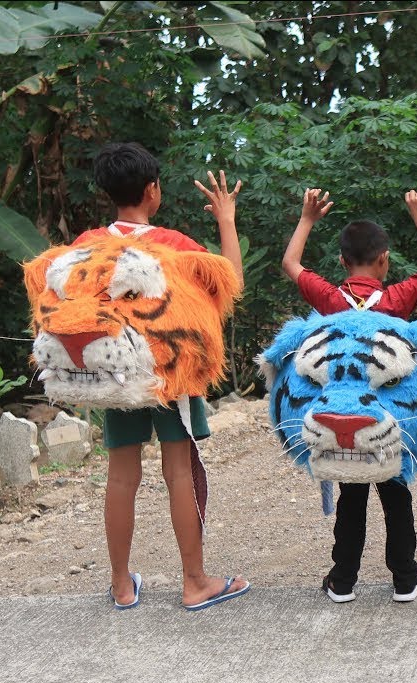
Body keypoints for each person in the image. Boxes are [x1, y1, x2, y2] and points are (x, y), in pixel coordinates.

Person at [87, 141, 251, 611]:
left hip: (117, 374)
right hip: (171, 376)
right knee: (179, 471)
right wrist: (226, 219)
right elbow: (231, 282)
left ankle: (121, 585)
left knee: (121, 477)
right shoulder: (173, 245)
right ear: (152, 190)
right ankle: (194, 582)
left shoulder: (88, 246)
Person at [280, 187, 417, 603]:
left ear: (342, 262)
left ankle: (343, 581)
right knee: (397, 498)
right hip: (384, 421)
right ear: (384, 260)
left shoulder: (330, 299)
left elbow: (290, 264)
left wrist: (307, 219)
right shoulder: (396, 299)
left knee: (351, 498)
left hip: (342, 421)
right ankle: (405, 580)